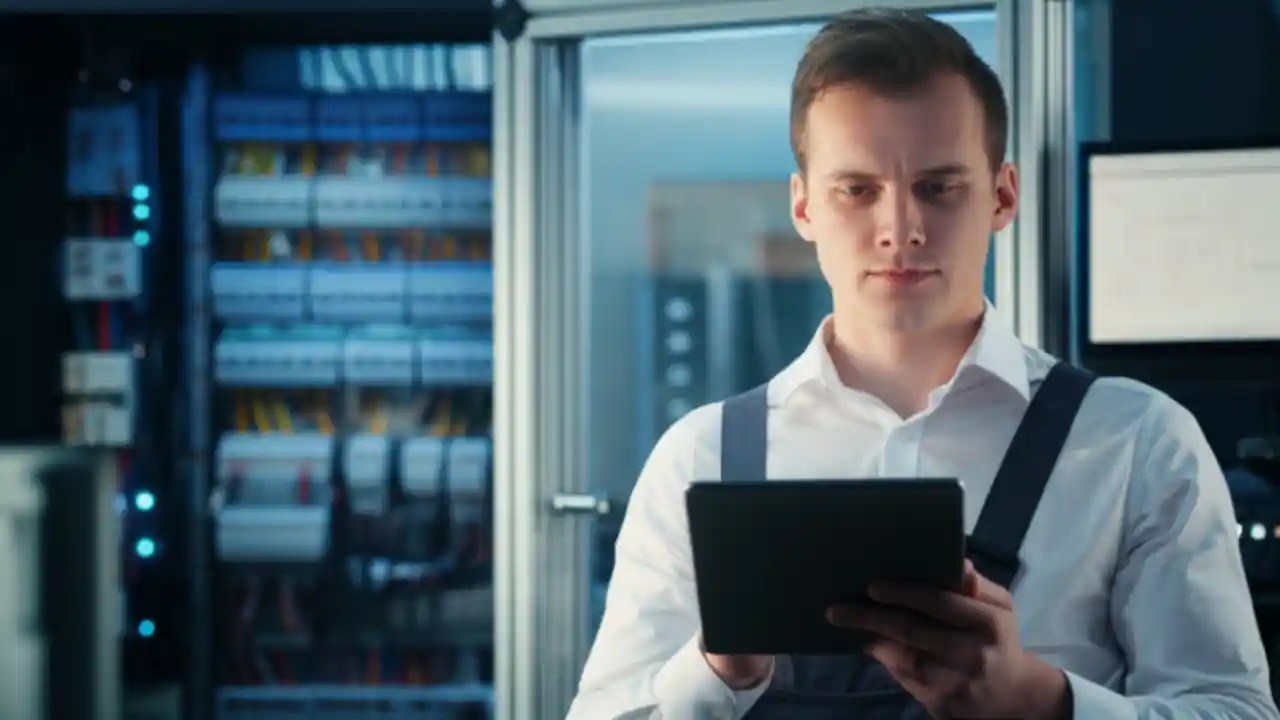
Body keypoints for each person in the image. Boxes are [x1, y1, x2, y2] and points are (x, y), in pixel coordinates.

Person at [565, 7, 1279, 720]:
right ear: (804, 207)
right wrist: (718, 669)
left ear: (1002, 196)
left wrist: (1041, 701)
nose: (899, 229)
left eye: (939, 187)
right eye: (857, 190)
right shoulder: (699, 459)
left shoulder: (1140, 444)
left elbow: (1236, 711)